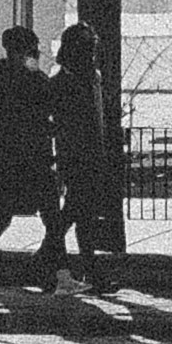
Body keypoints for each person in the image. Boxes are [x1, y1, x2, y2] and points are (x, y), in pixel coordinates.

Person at [0, 26, 60, 281]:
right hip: (25, 159)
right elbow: (37, 110)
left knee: (34, 217)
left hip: (19, 159)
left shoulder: (6, 79)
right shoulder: (17, 80)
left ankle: (61, 275)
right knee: (17, 217)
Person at [51, 22, 124, 288]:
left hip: (92, 155)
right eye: (88, 49)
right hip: (76, 158)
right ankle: (47, 263)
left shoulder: (90, 78)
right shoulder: (62, 83)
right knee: (75, 215)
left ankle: (84, 272)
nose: (92, 55)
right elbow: (65, 125)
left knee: (81, 216)